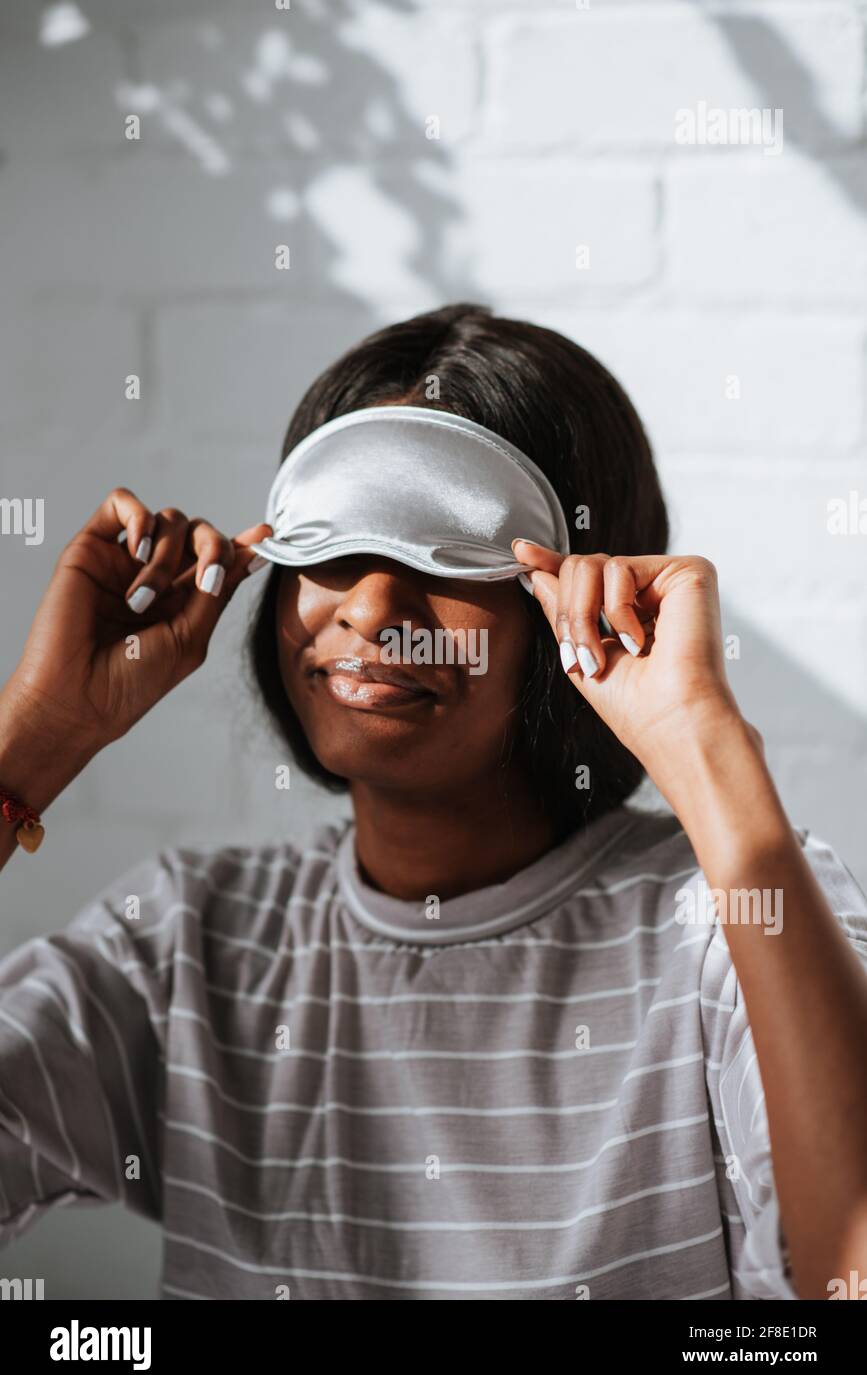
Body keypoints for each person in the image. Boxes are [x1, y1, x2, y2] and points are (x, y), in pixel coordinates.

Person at [1, 303, 867, 1302]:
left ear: (581, 585)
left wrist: (711, 751)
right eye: (333, 540)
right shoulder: (184, 944)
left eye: (444, 547)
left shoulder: (735, 922)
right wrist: (35, 740)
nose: (372, 610)